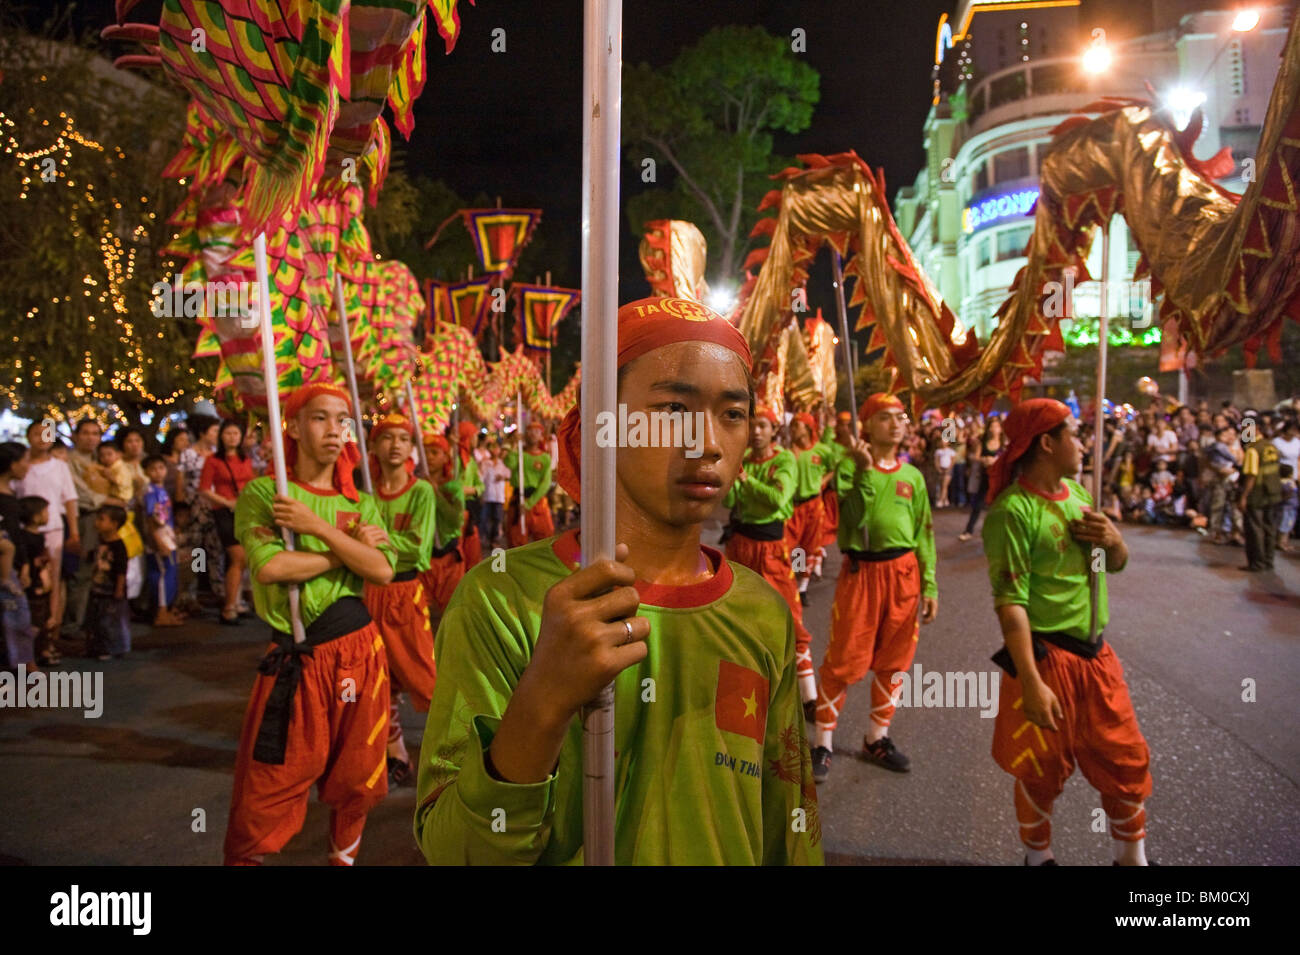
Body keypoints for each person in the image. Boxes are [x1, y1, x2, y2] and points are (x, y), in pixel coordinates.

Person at [414, 296, 822, 865]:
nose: (707, 443)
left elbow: (789, 824)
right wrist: (542, 702)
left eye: (732, 413)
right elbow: (454, 849)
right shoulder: (505, 599)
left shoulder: (762, 610)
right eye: (674, 408)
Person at [224, 383, 397, 867]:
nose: (334, 430)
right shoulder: (266, 493)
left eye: (343, 419)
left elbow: (382, 571)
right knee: (270, 784)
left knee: (359, 776)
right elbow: (271, 568)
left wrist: (319, 529)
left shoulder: (360, 501)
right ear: (294, 427)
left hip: (361, 652)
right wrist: (346, 551)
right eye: (320, 418)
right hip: (299, 656)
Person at [981, 399, 1152, 866]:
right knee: (1040, 769)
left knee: (1125, 759)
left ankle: (1131, 858)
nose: (1083, 443)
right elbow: (1011, 604)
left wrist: (1114, 541)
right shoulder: (1012, 512)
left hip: (1097, 659)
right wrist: (1030, 682)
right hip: (1046, 660)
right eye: (1074, 433)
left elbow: (1111, 567)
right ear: (1047, 442)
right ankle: (1038, 859)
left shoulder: (1080, 497)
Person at [810, 393, 938, 782]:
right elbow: (853, 518)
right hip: (862, 574)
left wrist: (930, 584)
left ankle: (876, 737)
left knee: (895, 661)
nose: (897, 423)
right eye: (885, 417)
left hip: (903, 577)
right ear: (868, 426)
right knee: (844, 660)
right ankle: (823, 742)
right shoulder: (849, 468)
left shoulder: (912, 476)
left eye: (901, 417)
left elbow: (924, 534)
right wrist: (863, 471)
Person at [723, 406, 817, 715]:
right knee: (740, 621)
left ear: (774, 429)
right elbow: (729, 501)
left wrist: (744, 479)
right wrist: (728, 475)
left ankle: (809, 696)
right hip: (740, 546)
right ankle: (749, 693)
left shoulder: (784, 459)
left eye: (763, 425)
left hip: (772, 548)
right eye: (752, 425)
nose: (757, 431)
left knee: (790, 618)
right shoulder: (743, 460)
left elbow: (778, 498)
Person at [362, 413, 437, 789]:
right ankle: (397, 754)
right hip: (367, 594)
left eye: (402, 439)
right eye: (386, 438)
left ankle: (459, 751)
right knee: (379, 679)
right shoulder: (366, 495)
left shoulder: (420, 492)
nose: (394, 445)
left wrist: (374, 543)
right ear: (372, 446)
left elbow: (419, 553)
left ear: (411, 449)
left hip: (405, 596)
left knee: (427, 679)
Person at [18, 421, 81, 643]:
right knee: (27, 580)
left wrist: (74, 532)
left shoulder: (60, 466)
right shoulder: (21, 465)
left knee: (53, 581)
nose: (42, 438)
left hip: (53, 527)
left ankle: (50, 633)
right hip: (25, 531)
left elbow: (70, 499)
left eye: (46, 433)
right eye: (36, 433)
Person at [199, 419, 255, 624]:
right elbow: (204, 489)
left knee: (243, 559)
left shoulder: (245, 459)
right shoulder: (213, 460)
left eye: (236, 434)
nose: (232, 437)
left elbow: (251, 482)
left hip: (244, 510)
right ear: (221, 436)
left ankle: (237, 601)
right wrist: (227, 502)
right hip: (223, 511)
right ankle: (229, 606)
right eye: (228, 433)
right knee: (238, 557)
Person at [417, 435, 467, 629]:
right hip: (425, 560)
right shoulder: (416, 486)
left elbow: (456, 520)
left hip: (449, 560)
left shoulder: (453, 487)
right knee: (422, 612)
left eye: (435, 452)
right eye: (426, 452)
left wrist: (435, 494)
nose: (429, 457)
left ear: (446, 457)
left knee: (451, 612)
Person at [785, 412, 832, 613]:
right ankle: (795, 578)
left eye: (797, 426)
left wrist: (824, 480)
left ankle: (802, 588)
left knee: (809, 546)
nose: (793, 429)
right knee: (792, 545)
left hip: (814, 505)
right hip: (793, 507)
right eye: (793, 425)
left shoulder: (822, 451)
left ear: (807, 429)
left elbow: (832, 468)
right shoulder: (787, 453)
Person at [142, 454, 183, 627]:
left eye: (161, 468)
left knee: (170, 573)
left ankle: (167, 610)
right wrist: (157, 540)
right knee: (162, 575)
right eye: (153, 469)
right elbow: (151, 519)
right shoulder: (150, 492)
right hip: (158, 538)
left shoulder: (162, 490)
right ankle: (160, 612)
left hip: (167, 536)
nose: (158, 472)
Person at [84, 505, 130, 660]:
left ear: (114, 524)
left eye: (101, 519)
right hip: (98, 587)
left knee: (110, 621)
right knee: (96, 619)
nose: (96, 523)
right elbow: (94, 557)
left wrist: (119, 589)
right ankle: (97, 646)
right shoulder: (100, 541)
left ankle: (113, 647)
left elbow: (121, 570)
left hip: (111, 590)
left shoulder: (119, 546)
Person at [1239, 417, 1282, 572]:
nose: (1244, 431)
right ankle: (1268, 561)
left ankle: (1257, 563)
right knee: (1269, 528)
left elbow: (1251, 475)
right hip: (1273, 492)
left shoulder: (1253, 449)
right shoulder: (1271, 447)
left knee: (1255, 529)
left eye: (1246, 428)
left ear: (1255, 429)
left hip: (1257, 494)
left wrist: (1243, 497)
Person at [504, 421, 554, 547]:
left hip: (537, 503)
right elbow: (509, 464)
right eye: (530, 431)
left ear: (541, 435)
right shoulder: (520, 454)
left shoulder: (545, 458)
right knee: (516, 542)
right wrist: (515, 445)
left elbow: (545, 482)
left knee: (544, 540)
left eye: (536, 432)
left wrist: (529, 503)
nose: (533, 434)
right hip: (518, 501)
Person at [958, 416, 1002, 541]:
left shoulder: (1003, 442)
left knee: (998, 505)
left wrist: (996, 460)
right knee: (977, 504)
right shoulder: (983, 442)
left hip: (998, 478)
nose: (994, 429)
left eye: (997, 426)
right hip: (984, 476)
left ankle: (997, 532)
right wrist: (984, 459)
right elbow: (975, 456)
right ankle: (968, 530)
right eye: (992, 426)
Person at [477, 442, 510, 548]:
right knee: (484, 519)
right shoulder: (485, 463)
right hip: (487, 495)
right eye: (492, 448)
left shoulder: (502, 463)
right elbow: (480, 478)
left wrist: (503, 477)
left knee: (497, 519)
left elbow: (508, 474)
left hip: (498, 496)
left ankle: (494, 540)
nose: (495, 450)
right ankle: (483, 538)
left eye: (496, 448)